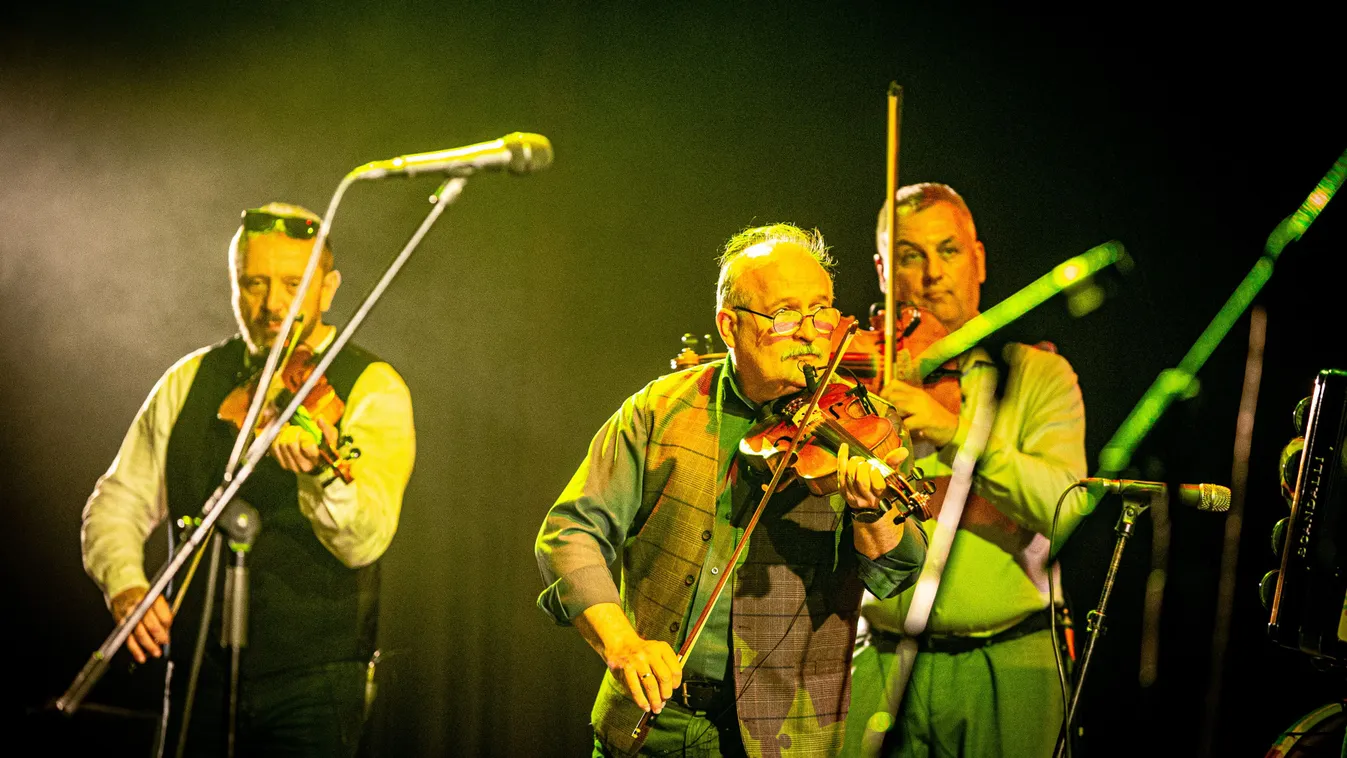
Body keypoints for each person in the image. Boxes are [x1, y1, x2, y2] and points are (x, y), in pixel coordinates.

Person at [535, 223, 929, 757]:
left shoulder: (866, 424)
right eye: (787, 315)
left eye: (823, 312)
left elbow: (897, 573)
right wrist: (621, 644)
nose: (812, 332)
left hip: (788, 738)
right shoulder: (660, 410)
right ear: (730, 326)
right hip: (654, 726)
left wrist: (871, 515)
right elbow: (569, 533)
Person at [80, 202, 416, 757]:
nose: (272, 304)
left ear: (329, 288)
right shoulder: (190, 379)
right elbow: (117, 499)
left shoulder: (371, 386)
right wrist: (126, 583)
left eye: (293, 283)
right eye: (254, 283)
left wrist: (321, 477)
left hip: (316, 679)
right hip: (195, 676)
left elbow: (367, 539)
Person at [842, 183, 1090, 758]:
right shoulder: (861, 379)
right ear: (882, 270)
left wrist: (953, 433)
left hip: (1008, 659)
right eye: (909, 255)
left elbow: (1069, 507)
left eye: (948, 251)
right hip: (879, 658)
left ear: (978, 260)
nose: (931, 274)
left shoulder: (1037, 375)